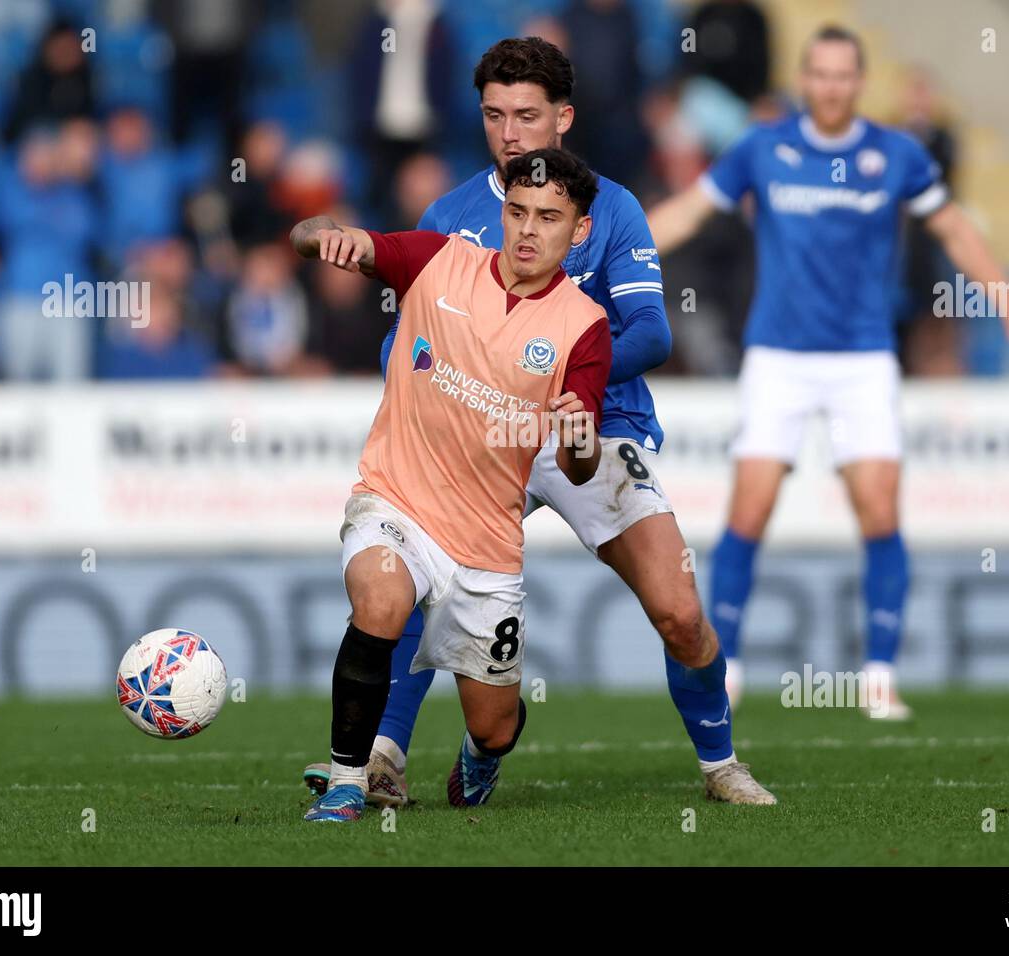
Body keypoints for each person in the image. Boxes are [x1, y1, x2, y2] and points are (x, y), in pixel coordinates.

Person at [305, 37, 775, 808]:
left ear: (563, 117)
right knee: (411, 588)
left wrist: (556, 389)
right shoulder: (451, 216)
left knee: (680, 609)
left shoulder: (609, 207)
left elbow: (651, 332)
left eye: (527, 115)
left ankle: (720, 763)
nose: (510, 133)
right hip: (478, 434)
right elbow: (403, 338)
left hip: (592, 424)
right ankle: (382, 757)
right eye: (494, 115)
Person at [647, 25, 1009, 719]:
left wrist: (1007, 300)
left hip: (863, 357)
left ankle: (879, 676)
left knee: (881, 509)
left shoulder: (895, 154)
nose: (830, 87)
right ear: (806, 79)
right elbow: (686, 212)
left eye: (842, 75)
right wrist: (615, 255)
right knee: (750, 508)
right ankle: (727, 666)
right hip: (779, 354)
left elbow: (951, 227)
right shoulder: (763, 149)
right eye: (820, 74)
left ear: (858, 83)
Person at [292, 148, 611, 822]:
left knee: (494, 723)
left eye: (549, 218)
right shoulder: (438, 259)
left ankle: (484, 754)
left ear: (579, 230)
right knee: (379, 599)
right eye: (517, 212)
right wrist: (328, 236)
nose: (527, 230)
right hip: (395, 500)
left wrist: (580, 442)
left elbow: (580, 463)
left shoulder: (583, 327)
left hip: (486, 546)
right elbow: (306, 233)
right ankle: (350, 780)